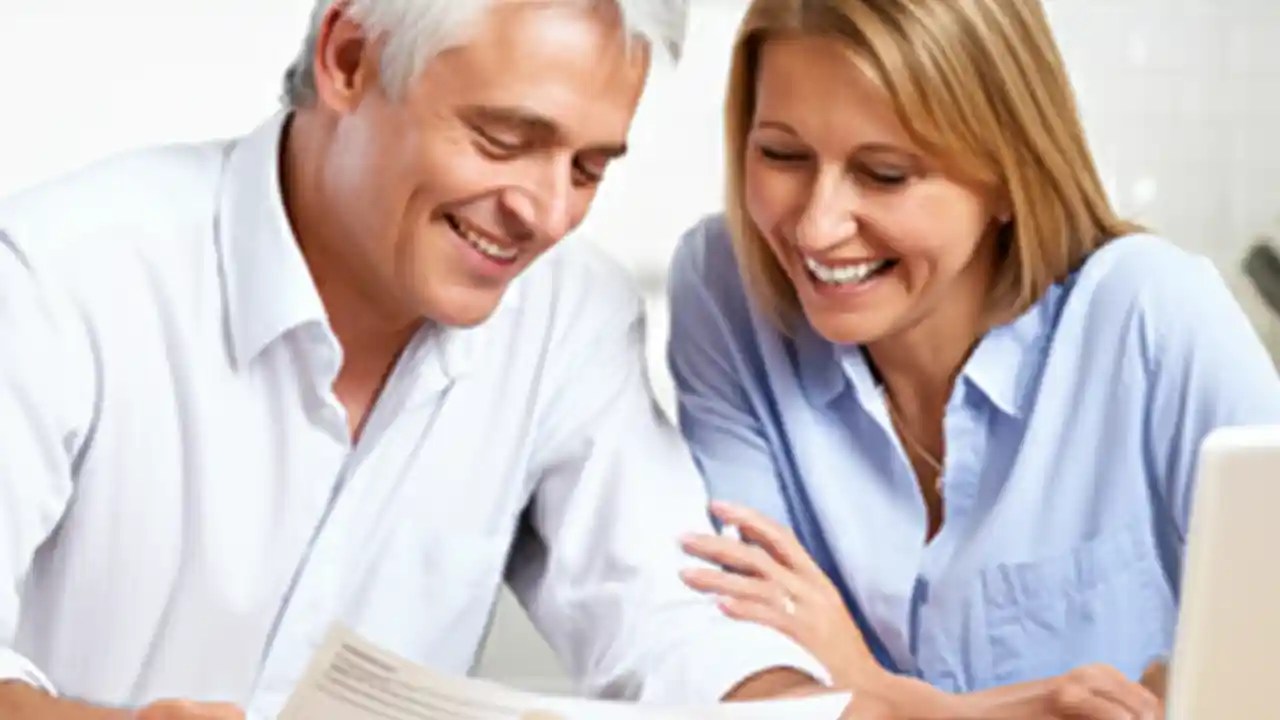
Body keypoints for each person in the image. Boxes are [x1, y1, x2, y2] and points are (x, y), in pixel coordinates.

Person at [0, 1, 856, 718]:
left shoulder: (571, 316)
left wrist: (794, 704)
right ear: (348, 58)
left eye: (589, 169)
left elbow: (673, 626)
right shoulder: (60, 276)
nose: (549, 214)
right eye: (503, 139)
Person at [668, 0, 1280, 718]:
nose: (816, 225)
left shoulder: (1149, 313)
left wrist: (869, 683)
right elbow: (753, 653)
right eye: (782, 155)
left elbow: (1260, 665)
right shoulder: (725, 290)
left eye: (886, 173)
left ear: (1006, 175)